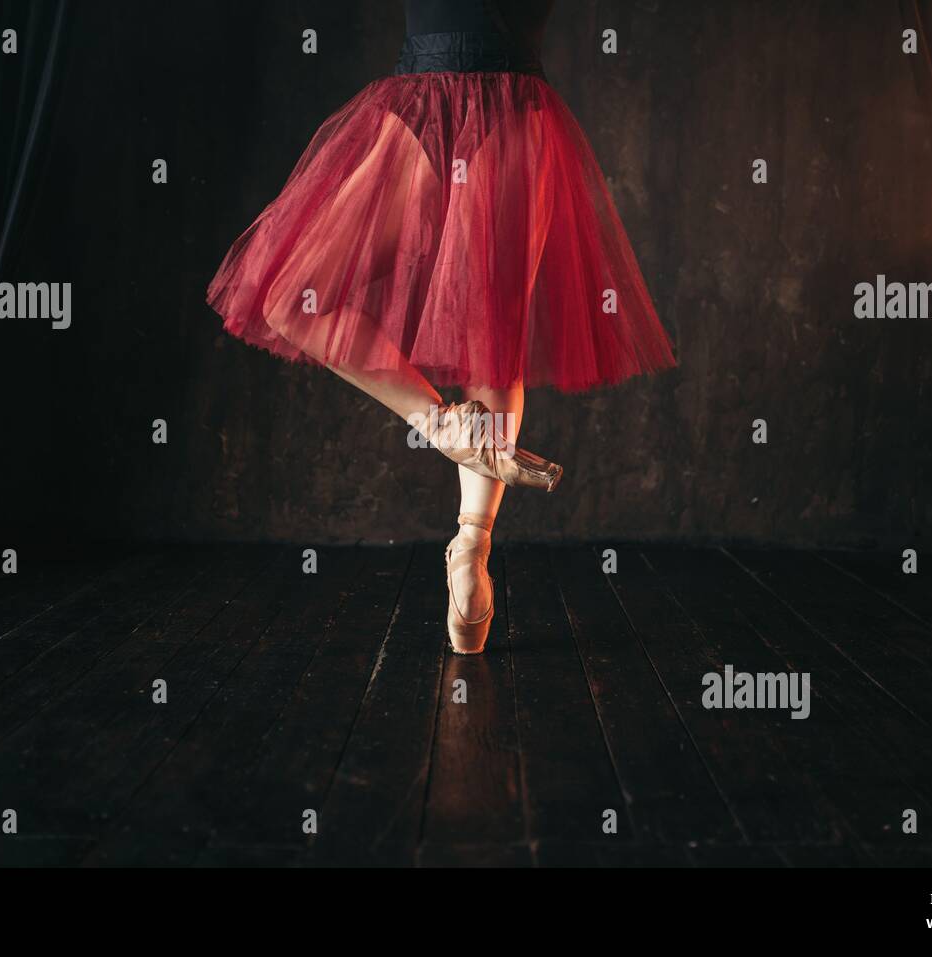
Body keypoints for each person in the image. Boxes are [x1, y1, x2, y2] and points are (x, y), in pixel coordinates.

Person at [207, 0, 676, 654]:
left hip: (436, 107)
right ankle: (468, 546)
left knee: (326, 302)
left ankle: (464, 529)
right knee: (488, 350)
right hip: (484, 112)